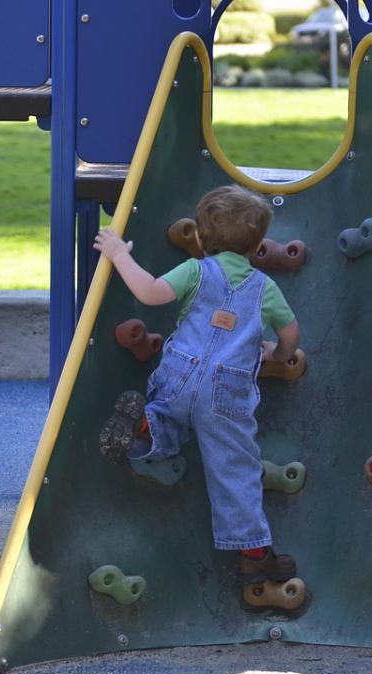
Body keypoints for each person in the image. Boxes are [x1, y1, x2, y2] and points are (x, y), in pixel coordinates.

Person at [94, 184, 301, 586]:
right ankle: (254, 554)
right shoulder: (265, 288)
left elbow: (150, 292)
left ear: (202, 239)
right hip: (226, 392)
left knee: (168, 420)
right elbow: (291, 335)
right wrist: (277, 354)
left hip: (179, 374)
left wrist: (119, 254)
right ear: (257, 245)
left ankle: (144, 426)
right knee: (234, 466)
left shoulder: (196, 270)